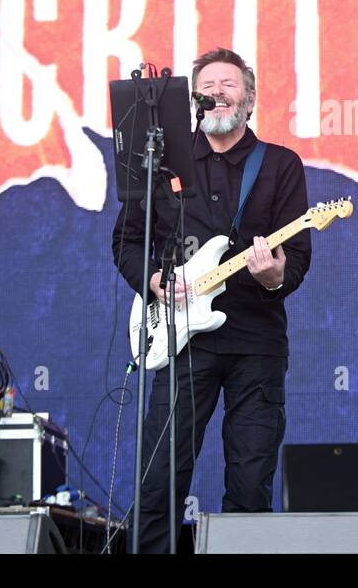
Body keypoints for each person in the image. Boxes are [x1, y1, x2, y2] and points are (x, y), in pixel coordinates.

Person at [112, 47, 311, 553]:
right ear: (192, 99)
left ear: (249, 97)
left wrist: (273, 275)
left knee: (249, 483)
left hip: (256, 342)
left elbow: (299, 258)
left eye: (229, 83)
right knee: (159, 482)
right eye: (208, 85)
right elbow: (126, 242)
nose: (218, 92)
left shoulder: (281, 165)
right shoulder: (160, 165)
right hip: (179, 340)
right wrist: (154, 280)